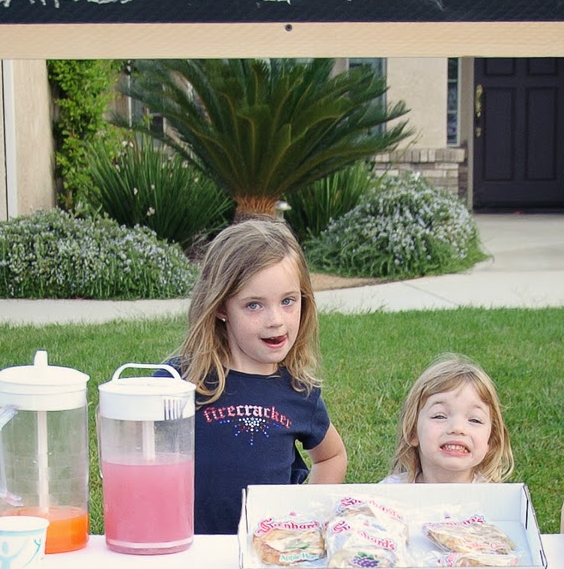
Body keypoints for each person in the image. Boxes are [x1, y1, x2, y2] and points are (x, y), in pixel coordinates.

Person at [172, 218, 347, 534]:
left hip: (269, 556)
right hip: (192, 552)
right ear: (221, 307)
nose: (276, 320)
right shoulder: (180, 382)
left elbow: (332, 455)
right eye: (254, 305)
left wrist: (306, 516)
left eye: (288, 301)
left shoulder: (299, 391)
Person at [385, 353, 513, 485]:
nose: (457, 428)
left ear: (491, 439)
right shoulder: (388, 493)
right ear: (412, 431)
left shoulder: (495, 498)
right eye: (439, 416)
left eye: (475, 420)